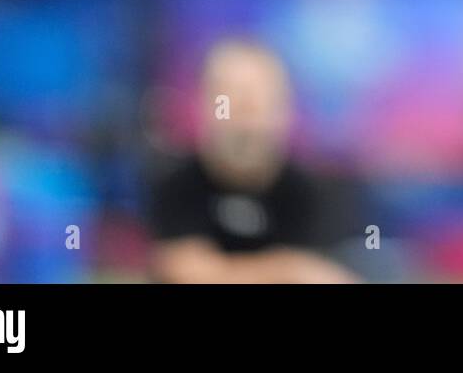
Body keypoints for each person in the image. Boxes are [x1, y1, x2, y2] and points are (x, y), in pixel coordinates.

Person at [147, 38, 361, 283]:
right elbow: (187, 273)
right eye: (229, 93)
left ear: (285, 108)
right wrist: (292, 269)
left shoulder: (317, 193)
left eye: (257, 97)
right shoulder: (174, 185)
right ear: (204, 102)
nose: (244, 110)